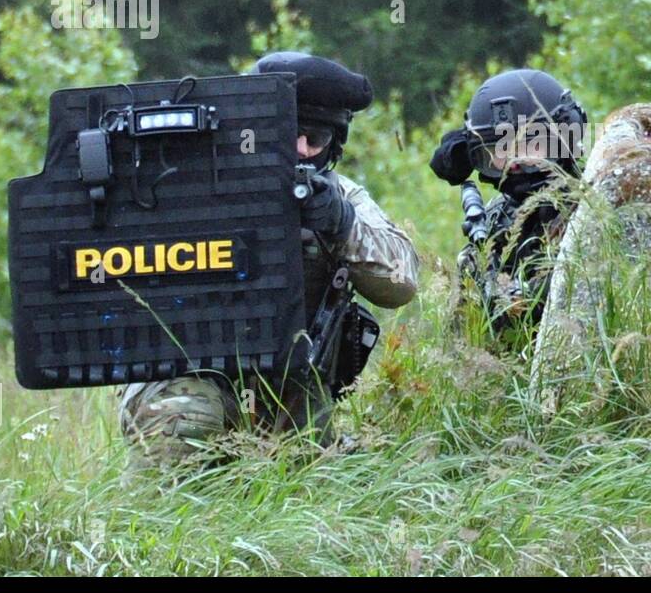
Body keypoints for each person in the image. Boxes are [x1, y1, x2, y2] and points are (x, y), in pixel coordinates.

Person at [118, 52, 419, 466]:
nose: (300, 148)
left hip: (291, 393)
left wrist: (342, 224)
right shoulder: (191, 184)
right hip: (186, 378)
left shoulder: (339, 195)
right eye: (290, 131)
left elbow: (401, 282)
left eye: (315, 139)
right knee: (185, 423)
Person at [428, 69, 587, 338]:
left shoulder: (593, 213)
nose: (514, 159)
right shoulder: (491, 223)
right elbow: (463, 340)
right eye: (499, 148)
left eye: (531, 142)